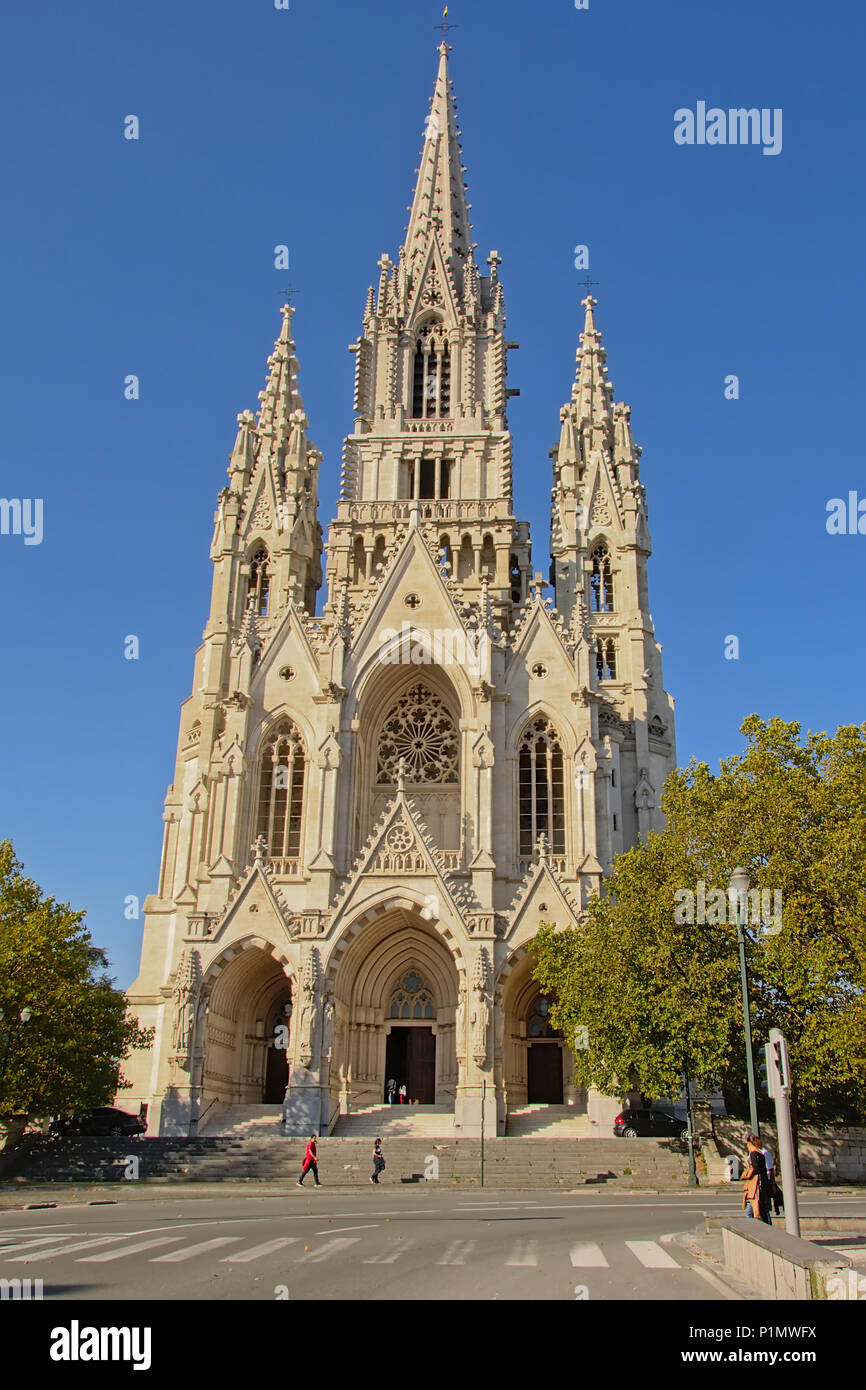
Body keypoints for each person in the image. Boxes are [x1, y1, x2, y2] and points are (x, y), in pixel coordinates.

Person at [741, 1135, 771, 1224]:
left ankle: (755, 1230)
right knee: (762, 1210)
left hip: (755, 1186)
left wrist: (747, 1175)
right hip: (761, 1184)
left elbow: (756, 1169)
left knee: (752, 1211)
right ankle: (768, 1227)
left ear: (750, 1143)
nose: (747, 1146)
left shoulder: (753, 1154)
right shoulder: (760, 1153)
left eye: (747, 1144)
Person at [762, 1141, 784, 1215]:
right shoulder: (752, 1153)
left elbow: (770, 1170)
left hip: (766, 1182)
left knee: (765, 1208)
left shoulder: (764, 1153)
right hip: (759, 1183)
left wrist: (773, 1184)